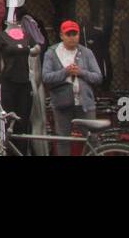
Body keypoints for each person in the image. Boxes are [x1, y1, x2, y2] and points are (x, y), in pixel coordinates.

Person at [41, 20, 104, 156]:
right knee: (63, 139)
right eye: (68, 34)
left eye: (74, 34)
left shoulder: (86, 52)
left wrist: (81, 72)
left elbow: (98, 77)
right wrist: (65, 72)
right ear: (61, 35)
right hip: (62, 104)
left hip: (85, 103)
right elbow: (46, 77)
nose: (72, 37)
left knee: (92, 139)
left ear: (79, 35)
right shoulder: (51, 53)